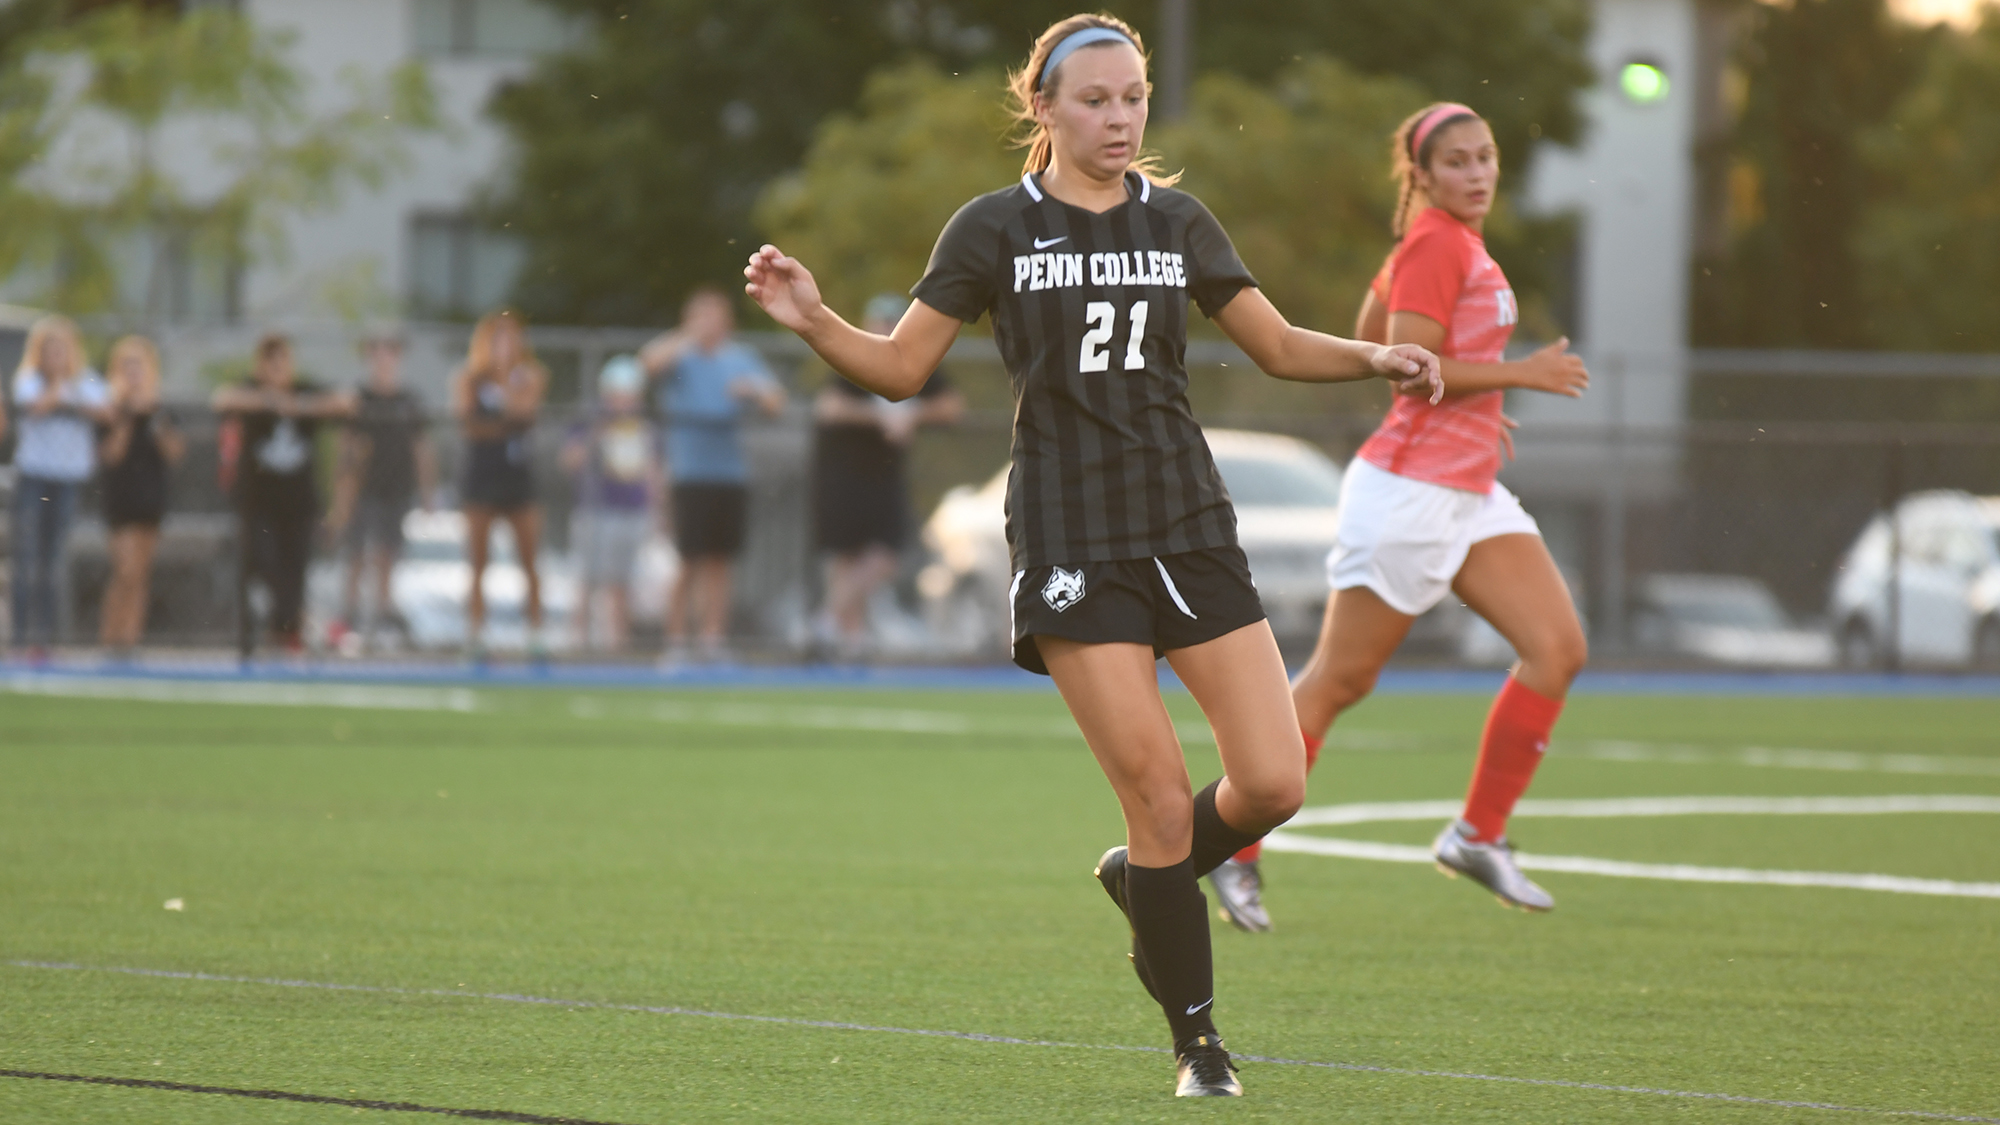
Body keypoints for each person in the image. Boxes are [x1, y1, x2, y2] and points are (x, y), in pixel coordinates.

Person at [743, 14, 1441, 1097]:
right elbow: (896, 369)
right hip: (1073, 541)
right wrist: (812, 318)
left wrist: (1376, 356)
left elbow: (1278, 343)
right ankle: (1197, 1044)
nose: (1119, 119)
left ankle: (1143, 885)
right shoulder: (990, 230)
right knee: (1159, 799)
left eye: (1132, 98)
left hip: (1189, 525)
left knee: (1271, 782)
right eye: (1095, 101)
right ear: (1044, 108)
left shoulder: (1178, 221)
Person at [1212, 103, 1592, 931]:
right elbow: (1411, 368)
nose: (1479, 173)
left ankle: (1476, 834)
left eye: (1486, 157)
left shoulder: (1442, 244)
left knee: (1557, 648)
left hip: (1468, 491)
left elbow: (1368, 334)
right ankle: (1230, 849)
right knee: (1339, 681)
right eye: (1457, 162)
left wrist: (1480, 406)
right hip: (1409, 495)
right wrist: (1517, 377)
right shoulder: (1433, 242)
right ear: (1420, 177)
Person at [810, 293, 964, 661]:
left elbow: (952, 406)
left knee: (885, 555)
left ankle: (828, 619)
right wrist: (879, 417)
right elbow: (829, 408)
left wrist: (913, 415)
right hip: (843, 475)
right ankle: (850, 640)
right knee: (846, 557)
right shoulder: (854, 359)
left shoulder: (913, 359)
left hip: (885, 477)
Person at [639, 287, 785, 662]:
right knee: (687, 560)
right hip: (689, 474)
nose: (709, 323)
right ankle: (675, 643)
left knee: (721, 561)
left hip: (729, 474)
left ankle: (712, 639)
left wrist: (753, 391)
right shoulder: (680, 356)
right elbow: (647, 365)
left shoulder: (740, 359)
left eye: (715, 315)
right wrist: (687, 336)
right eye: (701, 315)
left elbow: (775, 402)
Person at [213, 333, 353, 659]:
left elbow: (346, 401)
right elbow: (222, 399)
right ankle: (258, 631)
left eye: (282, 361)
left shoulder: (305, 391)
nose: (277, 369)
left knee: (296, 571)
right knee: (261, 560)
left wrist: (299, 407)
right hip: (258, 502)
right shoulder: (250, 391)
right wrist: (268, 401)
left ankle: (287, 634)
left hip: (298, 504)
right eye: (270, 362)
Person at [9, 315, 111, 659]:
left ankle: (45, 638)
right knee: (26, 555)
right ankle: (18, 638)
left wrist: (72, 389)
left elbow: (106, 411)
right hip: (35, 476)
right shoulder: (29, 380)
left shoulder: (86, 381)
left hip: (68, 478)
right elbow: (36, 405)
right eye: (49, 349)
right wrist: (57, 387)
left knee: (53, 560)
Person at [328, 330, 435, 651]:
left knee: (388, 553)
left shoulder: (409, 401)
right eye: (378, 352)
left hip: (397, 488)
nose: (385, 359)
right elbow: (346, 449)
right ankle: (348, 619)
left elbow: (422, 448)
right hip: (365, 489)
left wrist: (429, 492)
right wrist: (341, 498)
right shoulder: (359, 399)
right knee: (358, 553)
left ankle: (382, 617)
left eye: (391, 352)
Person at [452, 309, 548, 664]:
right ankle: (476, 635)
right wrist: (502, 419)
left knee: (530, 560)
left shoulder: (529, 376)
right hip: (481, 476)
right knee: (478, 562)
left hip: (518, 476)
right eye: (497, 338)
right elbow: (470, 424)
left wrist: (499, 414)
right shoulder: (470, 378)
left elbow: (525, 412)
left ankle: (536, 636)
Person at [561, 355, 662, 652]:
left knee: (622, 583)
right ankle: (578, 643)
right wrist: (599, 430)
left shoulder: (644, 423)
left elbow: (653, 470)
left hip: (633, 510)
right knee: (587, 580)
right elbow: (570, 460)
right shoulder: (590, 418)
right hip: (596, 509)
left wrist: (659, 512)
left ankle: (617, 647)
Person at [96, 335, 185, 659]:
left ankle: (130, 640)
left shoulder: (161, 410)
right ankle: (111, 638)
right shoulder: (110, 411)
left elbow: (175, 452)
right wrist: (127, 416)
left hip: (151, 498)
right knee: (125, 569)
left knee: (141, 572)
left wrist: (153, 414)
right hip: (121, 498)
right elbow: (111, 455)